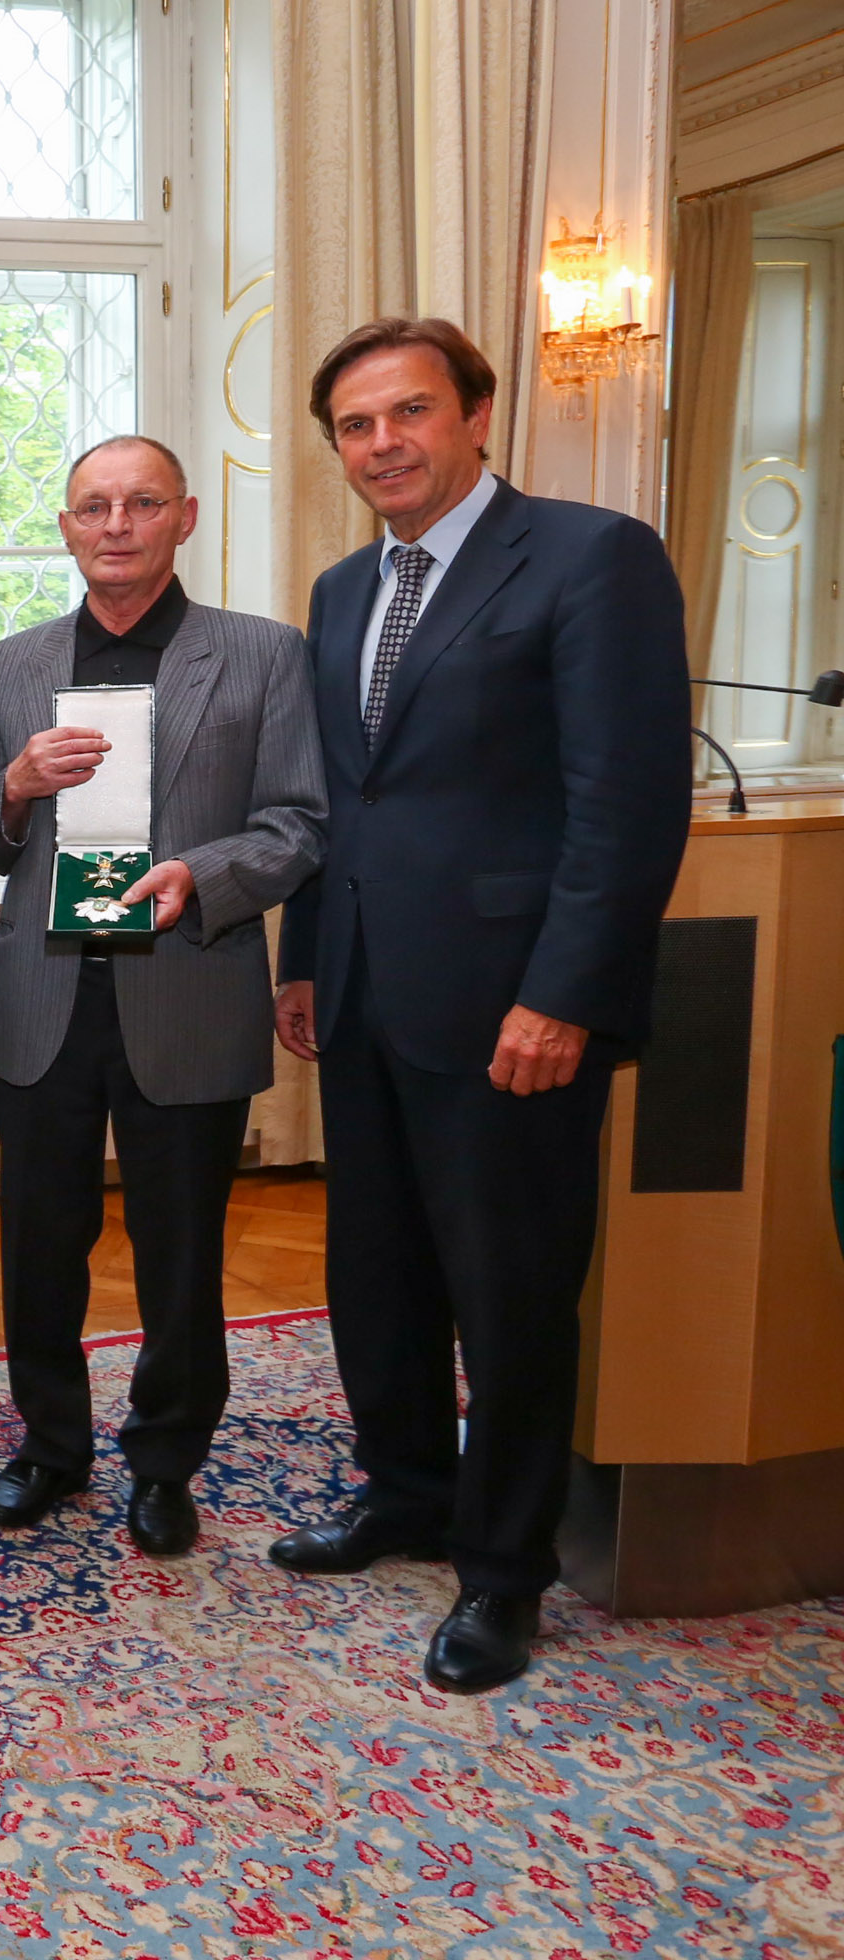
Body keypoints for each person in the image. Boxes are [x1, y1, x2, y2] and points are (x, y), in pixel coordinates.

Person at [270, 319, 691, 1692]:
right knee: (375, 1273)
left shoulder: (591, 556)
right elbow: (347, 800)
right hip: (373, 996)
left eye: (410, 413)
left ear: (477, 414)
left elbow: (625, 808)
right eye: (356, 426)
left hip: (516, 1011)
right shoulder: (341, 591)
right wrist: (306, 957)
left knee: (509, 1297)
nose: (383, 443)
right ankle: (405, 1497)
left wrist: (562, 994)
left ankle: (506, 1575)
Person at [0, 434, 324, 1553]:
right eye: (93, 506)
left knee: (181, 1250)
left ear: (186, 517)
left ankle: (166, 1462)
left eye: (141, 503)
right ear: (65, 526)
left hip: (189, 986)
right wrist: (11, 787)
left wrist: (199, 875)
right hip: (44, 994)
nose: (116, 524)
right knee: (38, 1242)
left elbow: (300, 822)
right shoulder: (12, 665)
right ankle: (51, 1446)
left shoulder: (262, 654)